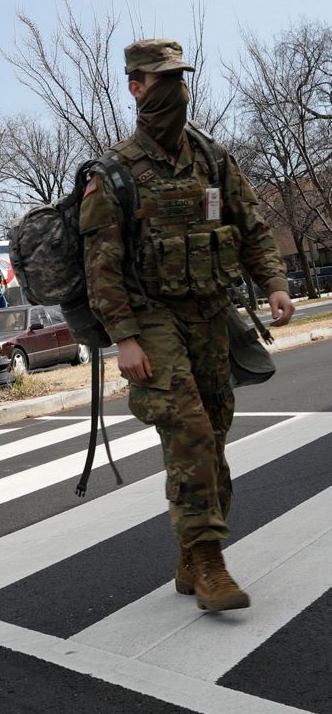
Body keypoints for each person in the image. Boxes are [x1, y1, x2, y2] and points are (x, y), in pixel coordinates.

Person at [80, 38, 295, 612]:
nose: (174, 90)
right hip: (152, 318)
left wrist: (274, 281)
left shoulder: (213, 159)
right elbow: (102, 267)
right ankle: (209, 563)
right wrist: (124, 338)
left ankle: (189, 553)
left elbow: (250, 224)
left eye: (179, 78)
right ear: (135, 88)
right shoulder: (115, 172)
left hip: (210, 313)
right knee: (190, 431)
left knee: (214, 436)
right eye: (161, 80)